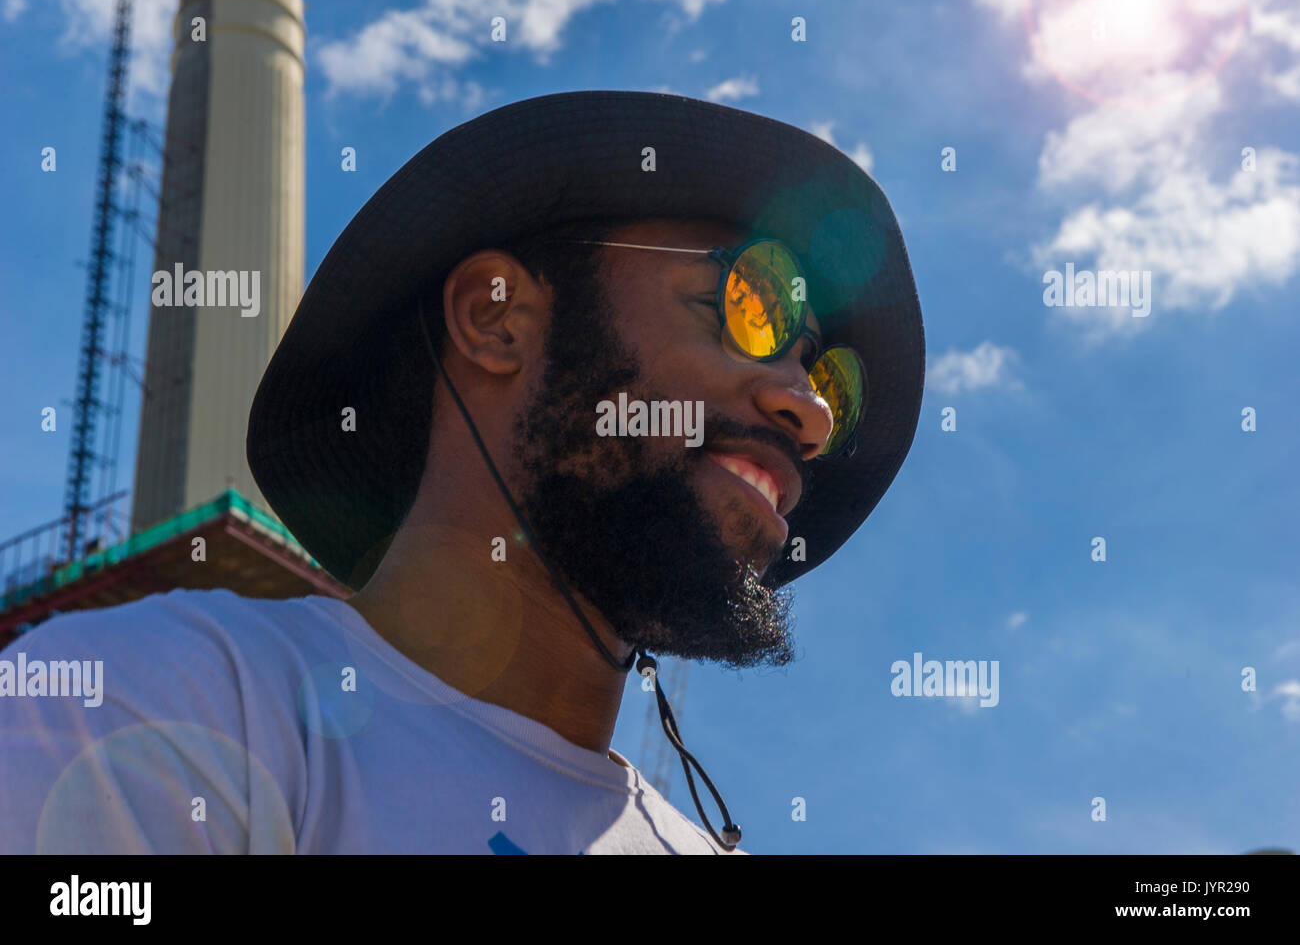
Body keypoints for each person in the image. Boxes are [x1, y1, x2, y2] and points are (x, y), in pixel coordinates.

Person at [0, 90, 924, 854]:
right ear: (496, 317)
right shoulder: (158, 706)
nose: (806, 409)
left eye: (826, 382)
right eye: (751, 303)